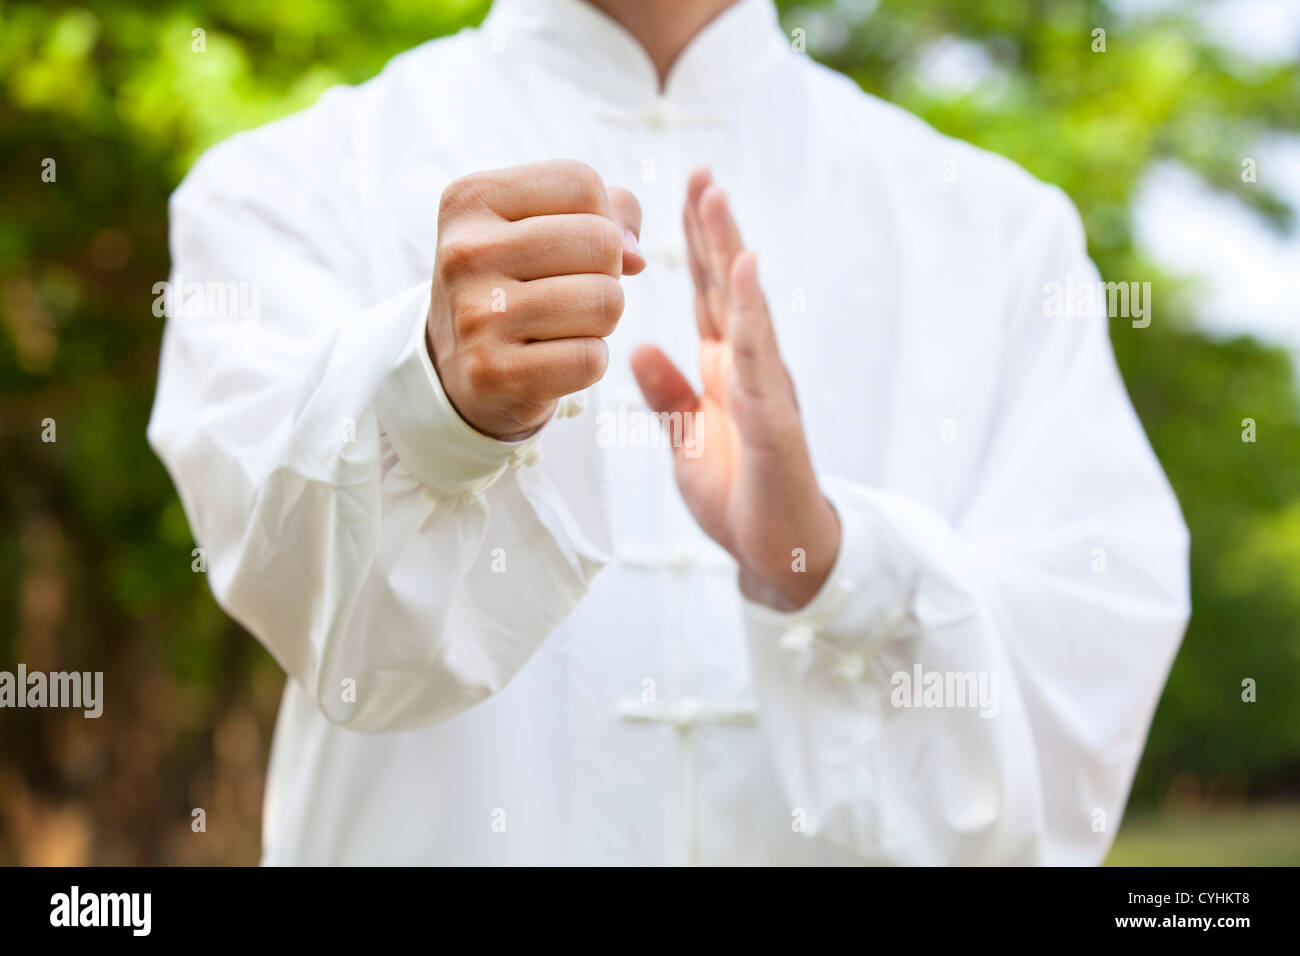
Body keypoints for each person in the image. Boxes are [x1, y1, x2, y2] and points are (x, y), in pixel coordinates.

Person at [147, 0, 1190, 864]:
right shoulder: (279, 191)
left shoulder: (1000, 234)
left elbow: (1075, 698)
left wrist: (831, 563)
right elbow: (313, 607)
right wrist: (432, 406)